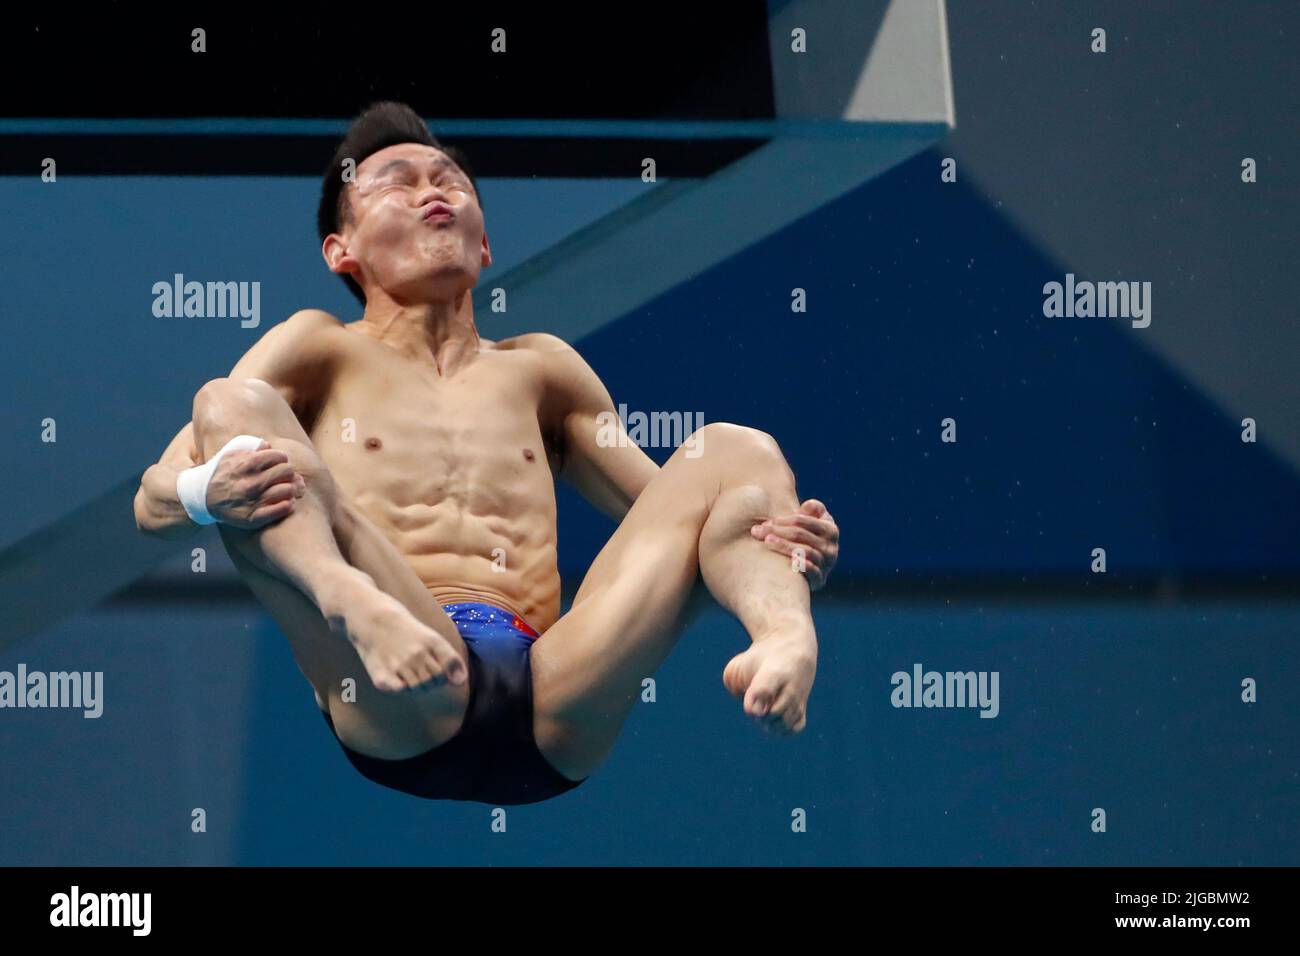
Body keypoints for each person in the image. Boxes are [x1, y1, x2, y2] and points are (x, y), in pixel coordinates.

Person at [133, 102, 840, 805]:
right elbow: (151, 499)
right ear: (340, 249)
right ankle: (347, 599)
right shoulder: (319, 347)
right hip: (393, 672)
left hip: (554, 686)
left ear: (486, 245)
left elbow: (677, 514)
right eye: (396, 183)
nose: (431, 191)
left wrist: (777, 544)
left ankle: (785, 640)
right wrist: (205, 494)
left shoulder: (541, 369)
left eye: (449, 181)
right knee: (235, 406)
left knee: (734, 452)